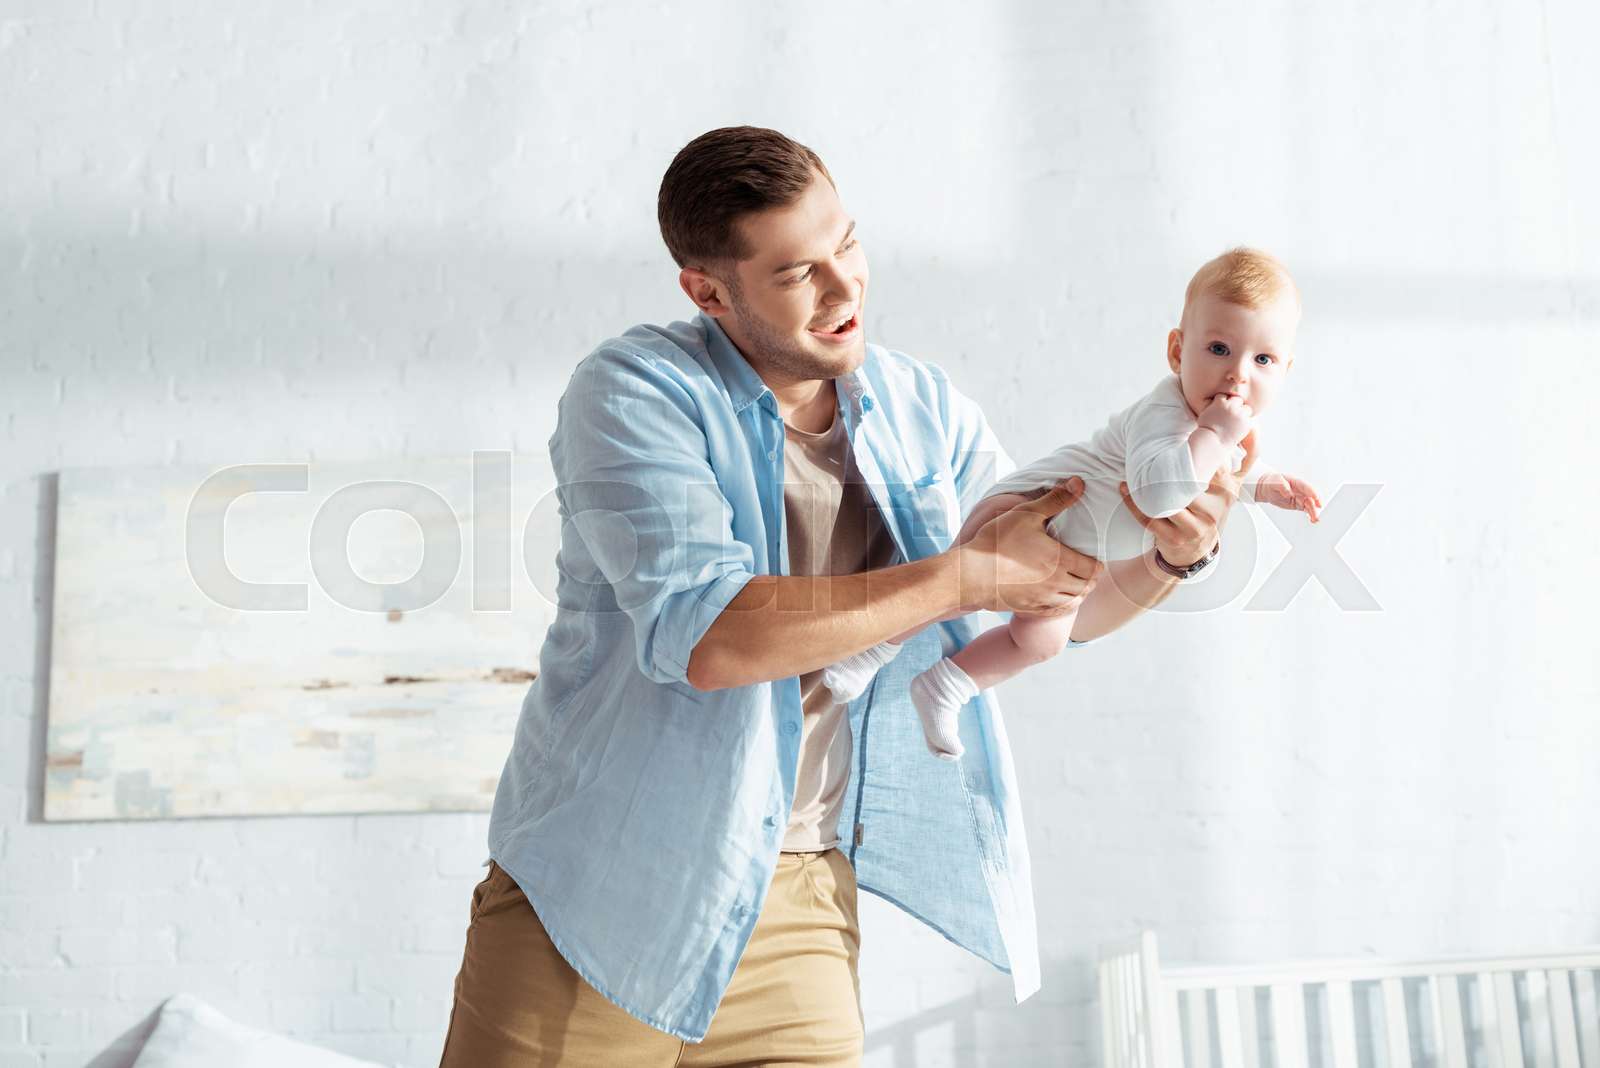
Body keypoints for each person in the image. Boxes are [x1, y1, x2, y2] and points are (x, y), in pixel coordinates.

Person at [438, 126, 1248, 1067]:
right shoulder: (634, 393)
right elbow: (710, 637)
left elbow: (1060, 603)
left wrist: (1166, 561)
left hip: (802, 904)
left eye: (849, 244)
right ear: (708, 291)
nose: (845, 286)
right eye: (796, 273)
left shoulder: (919, 406)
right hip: (603, 900)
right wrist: (962, 575)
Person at [822, 247, 1322, 762]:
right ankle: (871, 650)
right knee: (956, 593)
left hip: (1071, 556)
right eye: (1219, 348)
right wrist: (1218, 435)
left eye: (1262, 360)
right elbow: (1157, 493)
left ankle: (947, 686)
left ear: (1284, 369)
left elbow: (1226, 472)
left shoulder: (1222, 434)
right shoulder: (1167, 413)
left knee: (1043, 642)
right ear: (1177, 352)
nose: (1237, 375)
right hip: (1029, 510)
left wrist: (1267, 485)